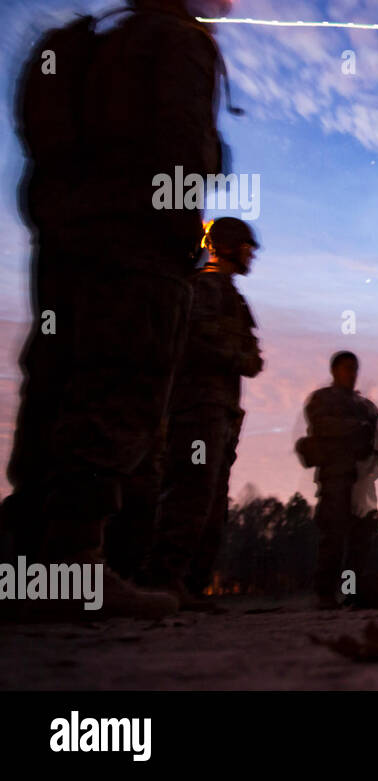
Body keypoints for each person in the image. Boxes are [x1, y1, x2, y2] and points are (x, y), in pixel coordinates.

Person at [1, 0, 238, 618]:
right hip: (138, 246)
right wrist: (184, 221)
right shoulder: (179, 42)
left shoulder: (97, 42)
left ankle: (29, 568)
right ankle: (73, 561)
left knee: (54, 382)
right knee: (118, 385)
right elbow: (187, 151)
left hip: (66, 240)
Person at [138, 218, 262, 608]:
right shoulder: (203, 288)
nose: (251, 252)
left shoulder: (230, 296)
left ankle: (191, 586)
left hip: (221, 411)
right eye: (245, 245)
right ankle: (163, 579)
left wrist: (242, 357)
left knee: (212, 498)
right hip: (195, 407)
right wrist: (235, 356)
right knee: (190, 490)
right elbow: (188, 343)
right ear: (224, 244)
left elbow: (252, 356)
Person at [299, 352, 378, 609]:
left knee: (360, 539)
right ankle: (324, 594)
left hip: (362, 479)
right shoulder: (322, 399)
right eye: (347, 368)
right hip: (335, 475)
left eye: (355, 369)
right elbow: (321, 426)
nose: (352, 373)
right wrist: (356, 427)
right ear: (334, 370)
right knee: (333, 535)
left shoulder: (365, 405)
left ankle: (350, 593)